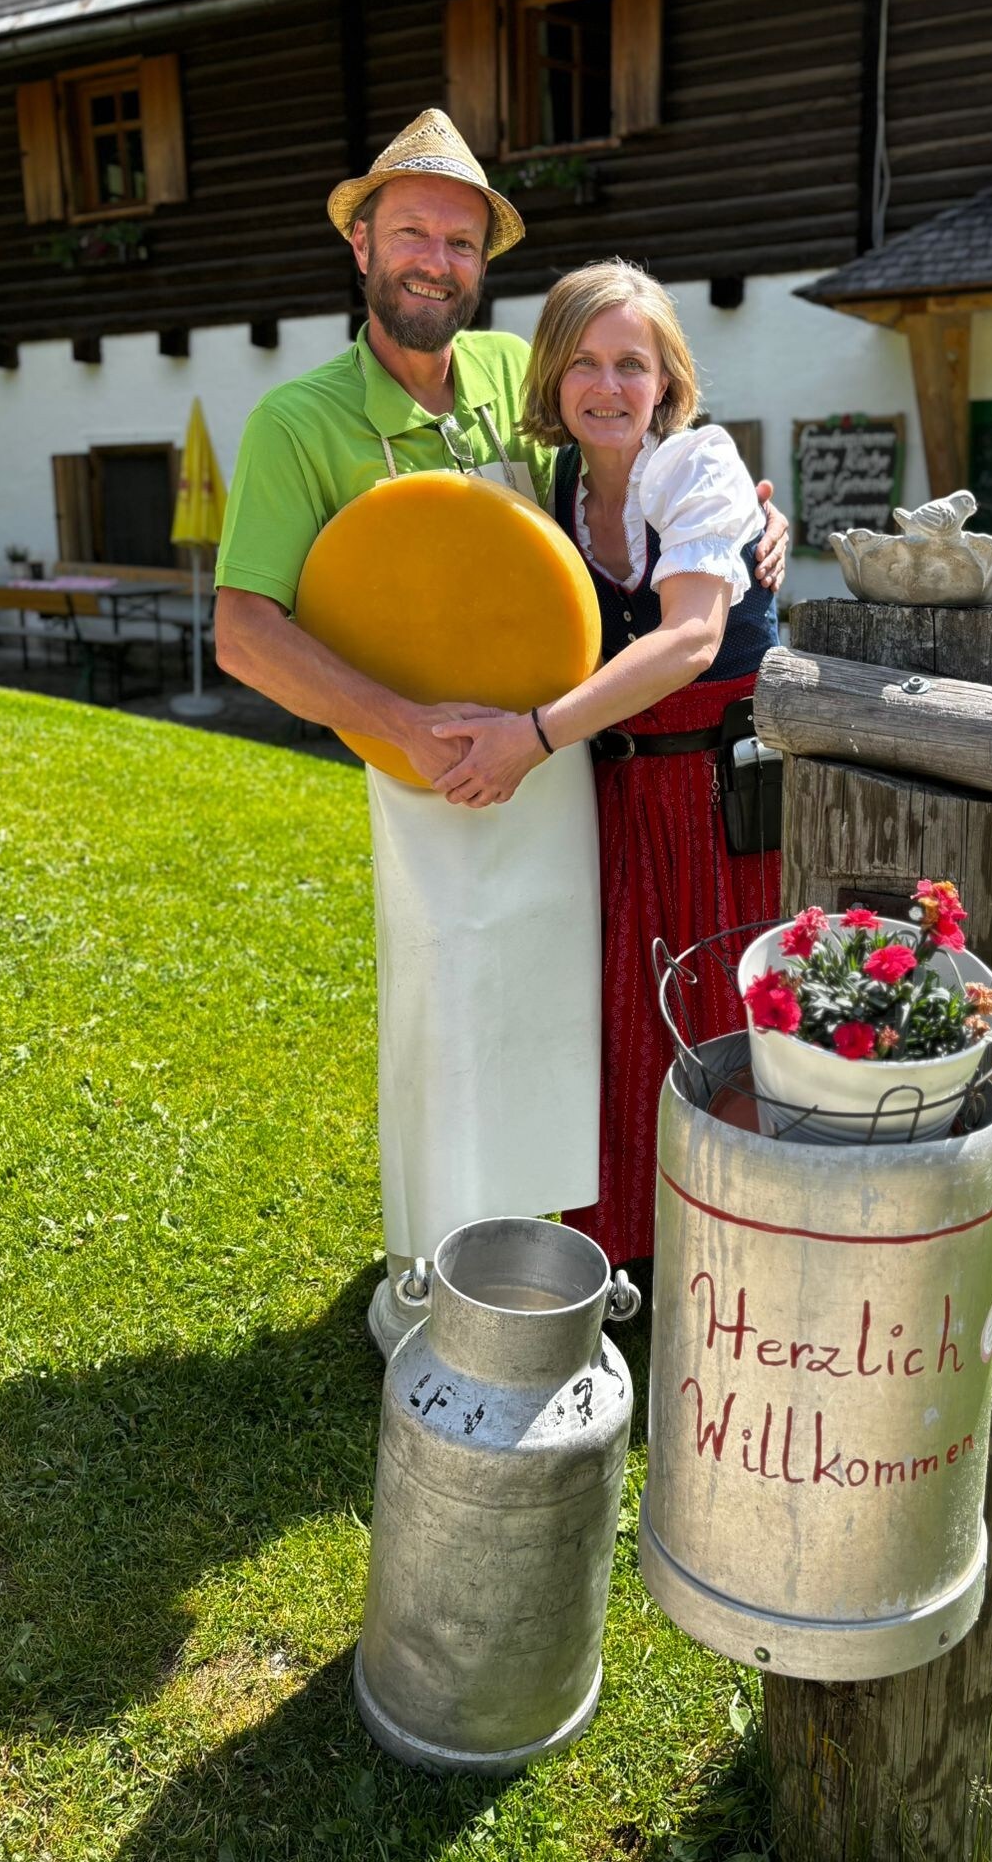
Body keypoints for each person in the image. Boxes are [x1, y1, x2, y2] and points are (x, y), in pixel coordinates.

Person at [213, 111, 788, 1351]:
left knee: (572, 1016)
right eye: (412, 232)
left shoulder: (509, 377)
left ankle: (559, 1252)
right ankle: (436, 1284)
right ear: (362, 244)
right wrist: (402, 726)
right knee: (448, 1024)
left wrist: (752, 514)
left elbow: (640, 445)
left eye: (461, 241)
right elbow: (243, 632)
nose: (435, 259)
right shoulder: (299, 421)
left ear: (483, 264)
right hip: (428, 782)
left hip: (567, 763)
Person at [425, 261, 784, 1273]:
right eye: (583, 361)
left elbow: (690, 641)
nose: (608, 385)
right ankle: (624, 1252)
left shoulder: (700, 466)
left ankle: (743, 1255)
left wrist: (534, 735)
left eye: (633, 362)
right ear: (553, 375)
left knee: (726, 1019)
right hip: (618, 792)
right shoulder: (558, 487)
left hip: (722, 797)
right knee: (620, 1020)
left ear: (668, 380)